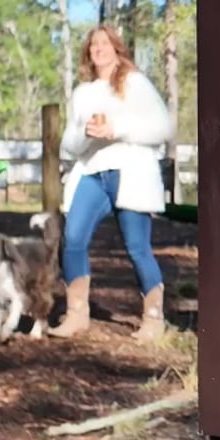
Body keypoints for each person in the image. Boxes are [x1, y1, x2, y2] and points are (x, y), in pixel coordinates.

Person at [52, 25, 174, 341]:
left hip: (130, 171)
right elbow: (69, 144)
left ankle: (153, 317)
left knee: (136, 246)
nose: (99, 49)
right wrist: (87, 133)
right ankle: (76, 313)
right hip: (93, 172)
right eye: (93, 45)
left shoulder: (134, 83)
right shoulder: (83, 92)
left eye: (105, 43)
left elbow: (162, 128)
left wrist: (116, 129)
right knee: (73, 238)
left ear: (117, 48)